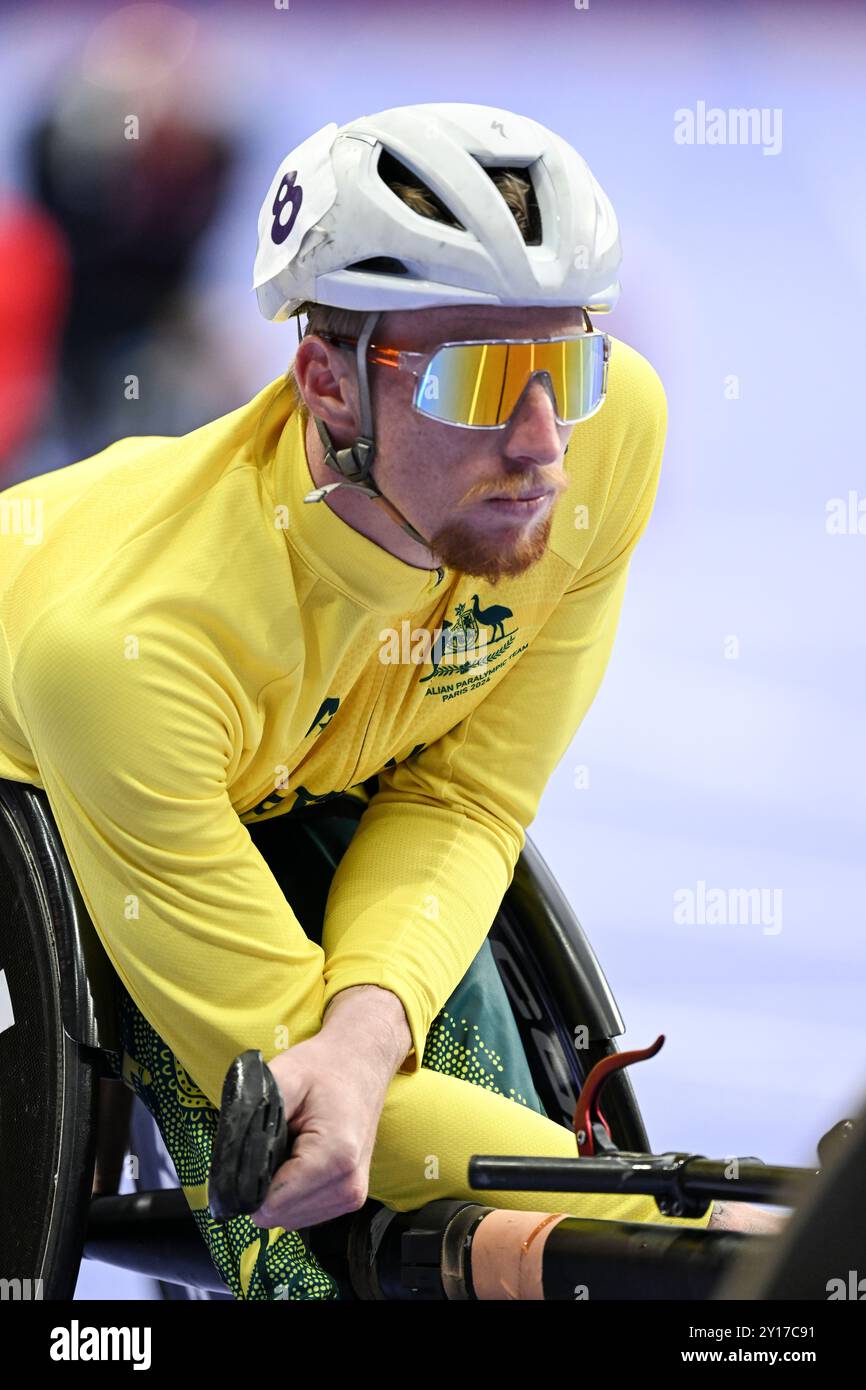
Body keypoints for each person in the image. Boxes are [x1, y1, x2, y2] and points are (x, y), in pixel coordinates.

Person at [0, 102, 781, 1300]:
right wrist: (670, 1229)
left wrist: (369, 1021)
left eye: (566, 365)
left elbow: (468, 794)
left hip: (296, 761)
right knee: (296, 1193)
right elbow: (291, 1093)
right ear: (328, 380)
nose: (543, 447)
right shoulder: (124, 649)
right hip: (76, 773)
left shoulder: (614, 428)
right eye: (479, 381)